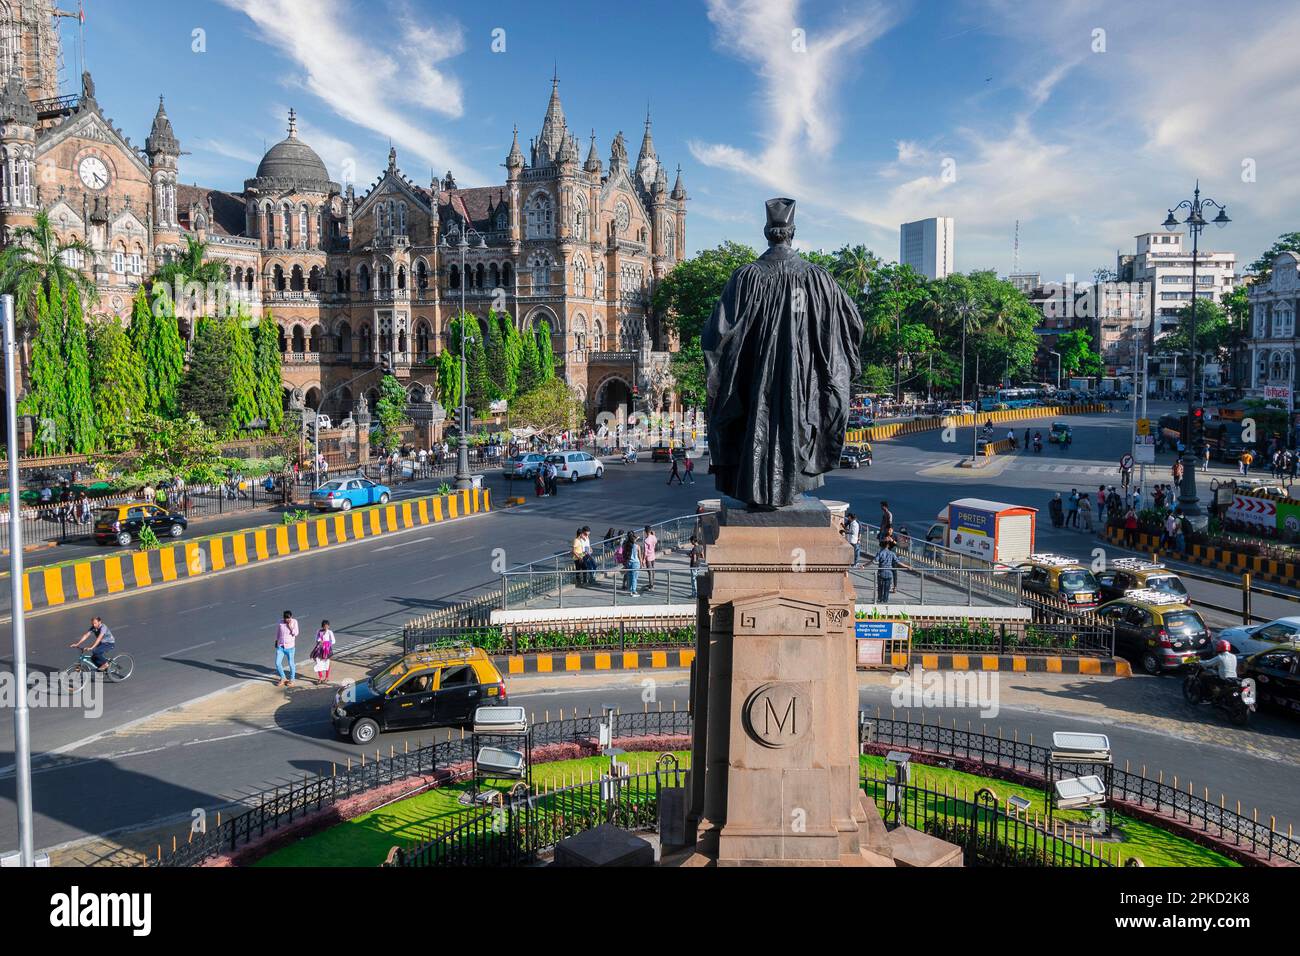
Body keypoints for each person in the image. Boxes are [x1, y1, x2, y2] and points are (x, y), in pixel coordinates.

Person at [875, 537, 904, 603]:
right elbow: (898, 562)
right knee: (886, 589)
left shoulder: (880, 552)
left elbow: (874, 561)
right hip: (889, 573)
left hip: (881, 572)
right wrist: (907, 566)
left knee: (880, 588)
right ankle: (885, 601)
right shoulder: (892, 553)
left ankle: (880, 600)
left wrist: (864, 565)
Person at [275, 610, 299, 687]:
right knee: (277, 663)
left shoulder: (294, 622)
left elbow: (296, 633)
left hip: (290, 647)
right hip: (281, 646)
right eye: (286, 618)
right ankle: (283, 678)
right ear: (284, 618)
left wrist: (290, 627)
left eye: (289, 618)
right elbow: (278, 632)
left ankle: (292, 679)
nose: (287, 620)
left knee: (291, 664)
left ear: (291, 617)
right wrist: (276, 640)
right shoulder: (280, 622)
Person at [310, 620, 335, 684]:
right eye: (324, 626)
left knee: (327, 663)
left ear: (328, 626)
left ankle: (326, 678)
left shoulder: (330, 632)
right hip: (320, 649)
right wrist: (320, 641)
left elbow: (333, 641)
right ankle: (320, 677)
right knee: (318, 662)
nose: (326, 628)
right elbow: (316, 639)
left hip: (327, 649)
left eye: (327, 626)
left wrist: (327, 643)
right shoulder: (319, 631)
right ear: (322, 626)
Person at [624, 531, 642, 596]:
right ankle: (633, 590)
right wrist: (641, 563)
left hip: (629, 562)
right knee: (635, 577)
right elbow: (640, 556)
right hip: (636, 563)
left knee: (630, 576)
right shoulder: (637, 546)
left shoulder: (626, 545)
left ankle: (630, 590)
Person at [642, 525, 658, 591]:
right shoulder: (653, 537)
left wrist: (643, 559)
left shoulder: (646, 540)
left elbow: (645, 551)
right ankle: (652, 583)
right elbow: (656, 542)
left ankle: (651, 586)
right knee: (653, 570)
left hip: (648, 557)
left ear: (645, 531)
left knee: (649, 571)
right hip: (653, 555)